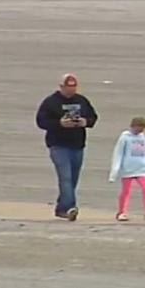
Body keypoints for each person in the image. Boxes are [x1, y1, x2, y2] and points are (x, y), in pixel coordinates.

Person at [35, 72, 98, 221]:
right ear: (61, 87)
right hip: (58, 145)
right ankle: (70, 207)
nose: (71, 90)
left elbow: (93, 117)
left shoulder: (81, 100)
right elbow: (41, 121)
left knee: (74, 178)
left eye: (74, 87)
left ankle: (61, 208)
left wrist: (85, 122)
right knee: (65, 177)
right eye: (68, 87)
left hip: (77, 145)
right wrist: (59, 123)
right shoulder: (51, 102)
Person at [109, 117, 145, 222]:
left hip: (141, 168)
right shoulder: (125, 137)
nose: (140, 131)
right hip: (128, 169)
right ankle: (122, 212)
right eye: (139, 128)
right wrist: (115, 171)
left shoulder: (142, 137)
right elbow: (118, 153)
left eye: (142, 129)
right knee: (126, 191)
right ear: (133, 126)